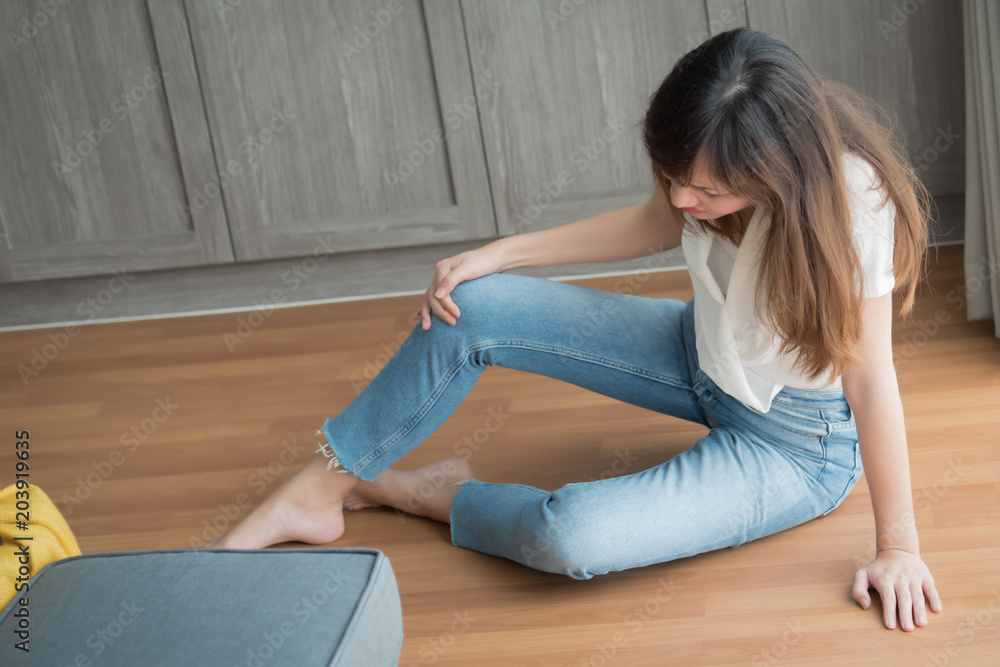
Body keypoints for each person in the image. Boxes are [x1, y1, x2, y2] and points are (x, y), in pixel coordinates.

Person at [202, 28, 942, 632]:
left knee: (569, 537)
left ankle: (421, 493)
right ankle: (316, 491)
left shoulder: (854, 203)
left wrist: (899, 547)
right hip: (701, 354)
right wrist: (497, 255)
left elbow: (871, 380)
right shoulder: (707, 156)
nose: (682, 198)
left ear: (774, 169)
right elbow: (656, 222)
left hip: (792, 442)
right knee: (472, 302)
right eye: (673, 177)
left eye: (705, 191)